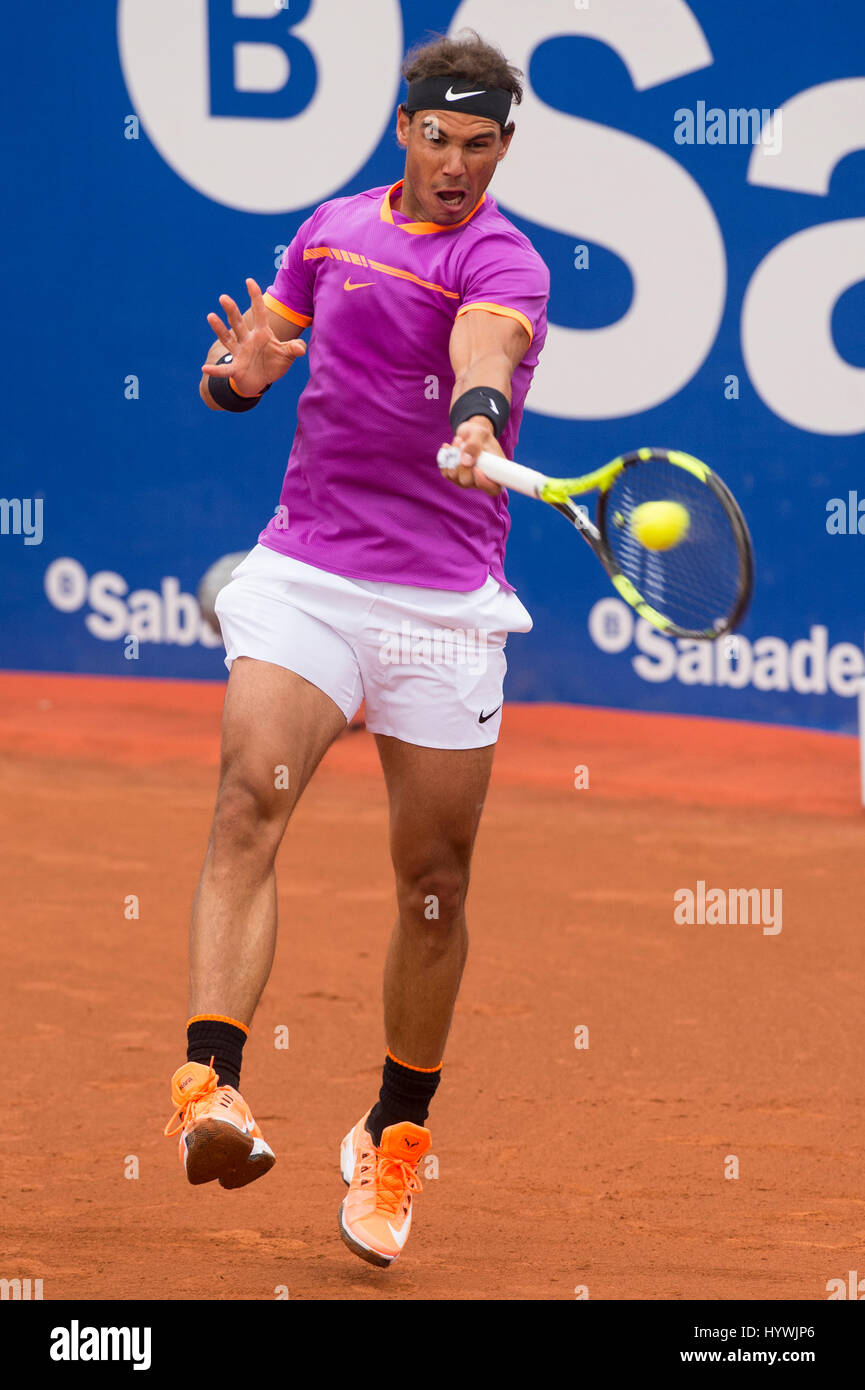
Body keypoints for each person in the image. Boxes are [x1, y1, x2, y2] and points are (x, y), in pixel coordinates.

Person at [163, 27, 549, 1269]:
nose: (453, 164)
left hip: (442, 605)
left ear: (501, 149)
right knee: (244, 803)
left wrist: (477, 418)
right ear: (402, 127)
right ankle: (209, 1086)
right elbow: (252, 358)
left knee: (434, 885)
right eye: (436, 136)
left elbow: (480, 350)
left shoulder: (507, 262)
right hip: (309, 578)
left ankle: (393, 1131)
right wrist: (240, 378)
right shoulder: (330, 231)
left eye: (478, 145)